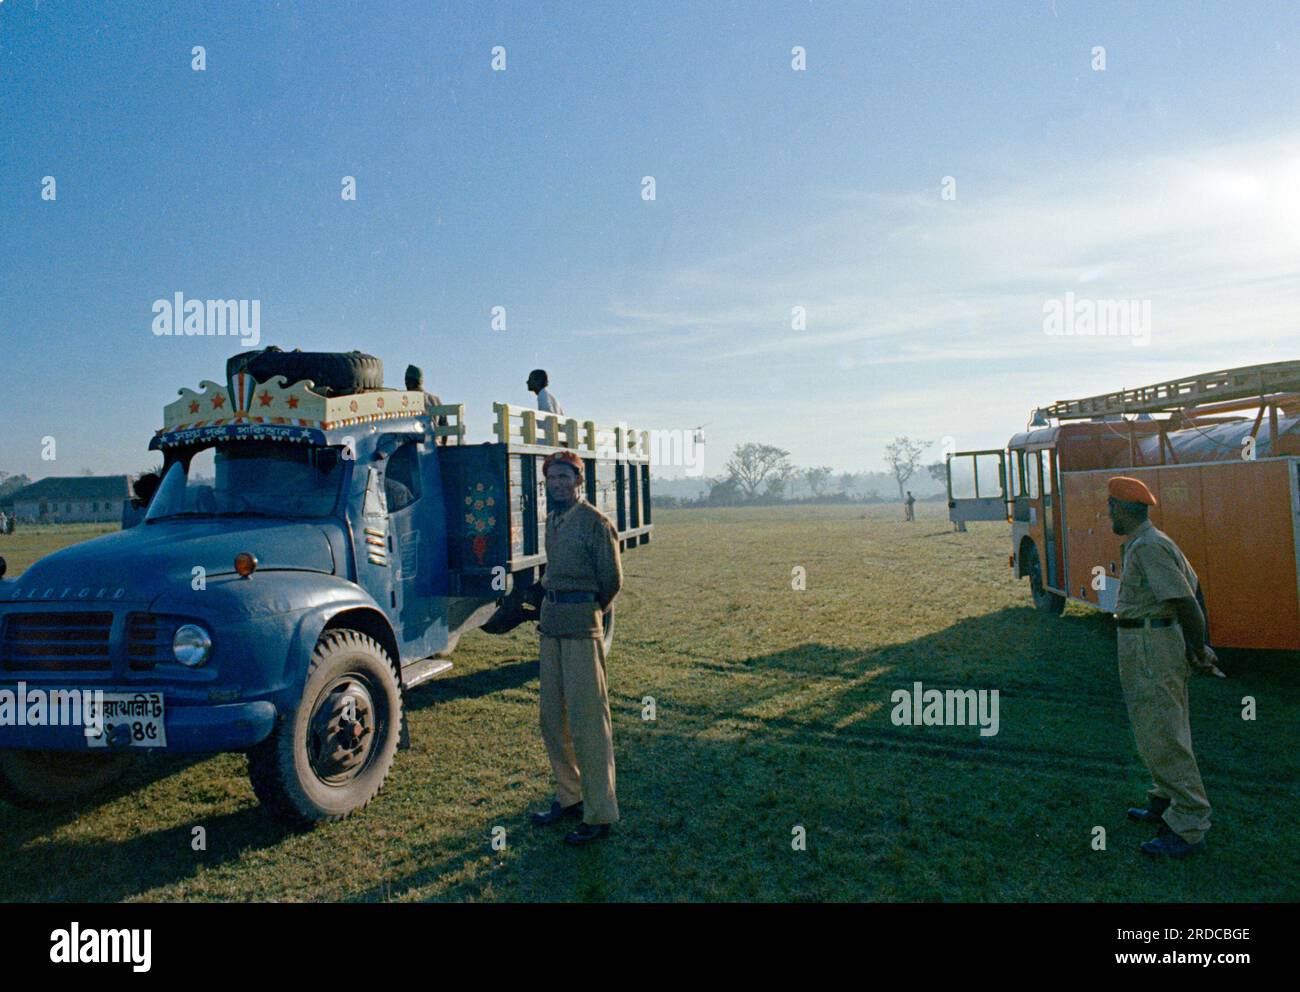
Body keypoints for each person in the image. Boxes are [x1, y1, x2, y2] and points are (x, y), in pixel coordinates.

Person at [1108, 475, 1219, 859]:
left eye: (1111, 509)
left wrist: (1198, 647)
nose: (1109, 515)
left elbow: (1186, 602)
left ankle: (1189, 822)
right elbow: (1195, 589)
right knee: (1153, 726)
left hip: (1150, 646)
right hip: (1146, 643)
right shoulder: (1149, 542)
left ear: (1124, 510)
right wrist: (1195, 646)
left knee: (1163, 731)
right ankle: (1165, 800)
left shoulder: (1149, 548)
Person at [529, 449, 622, 845]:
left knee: (588, 723)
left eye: (565, 478)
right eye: (552, 479)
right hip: (552, 630)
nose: (558, 484)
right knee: (553, 720)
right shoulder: (552, 519)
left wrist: (587, 610)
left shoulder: (596, 524)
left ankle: (599, 813)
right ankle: (570, 797)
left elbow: (611, 582)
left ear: (579, 482)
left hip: (583, 629)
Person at [406, 365, 449, 445]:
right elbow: (445, 426)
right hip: (435, 443)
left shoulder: (406, 400)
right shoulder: (435, 399)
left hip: (416, 443)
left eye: (407, 380)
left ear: (411, 382)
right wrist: (443, 446)